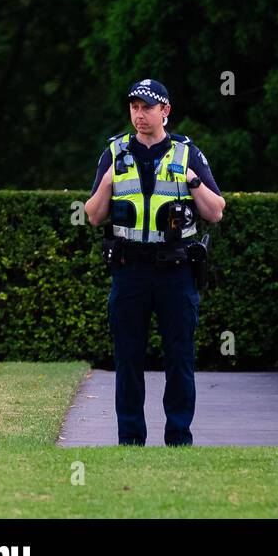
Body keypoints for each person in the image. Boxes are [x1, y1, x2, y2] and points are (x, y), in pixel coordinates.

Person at [83, 79, 225, 446]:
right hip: (130, 268)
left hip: (175, 270)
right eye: (134, 107)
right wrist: (107, 183)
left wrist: (192, 181)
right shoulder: (113, 153)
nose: (139, 114)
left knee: (179, 358)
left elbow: (216, 211)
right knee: (128, 358)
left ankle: (179, 437)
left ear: (165, 111)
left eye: (147, 107)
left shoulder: (186, 154)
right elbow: (94, 215)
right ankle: (130, 439)